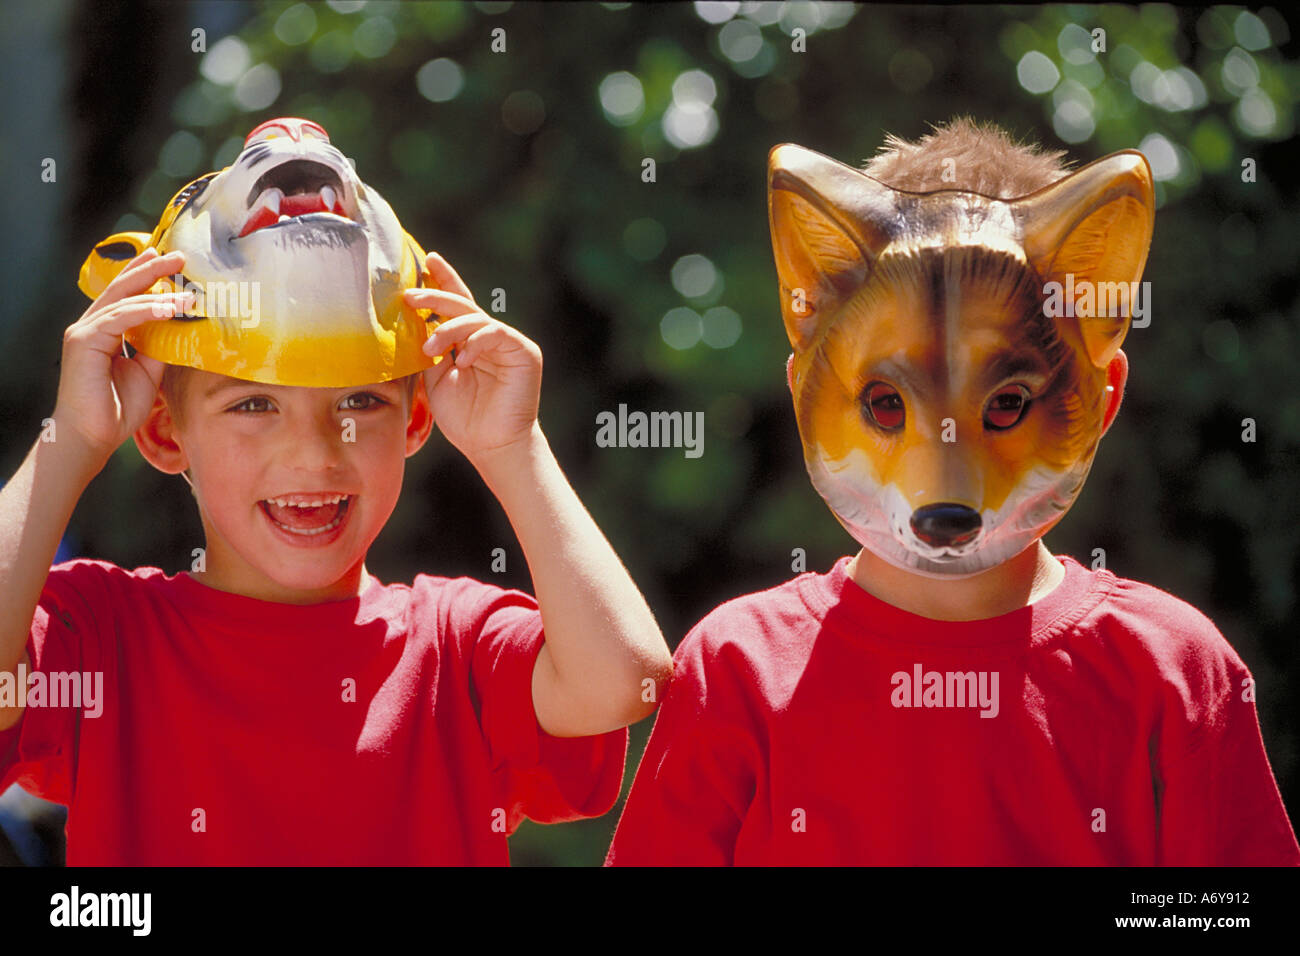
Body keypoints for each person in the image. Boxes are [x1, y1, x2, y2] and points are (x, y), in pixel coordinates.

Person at [605, 118, 1300, 865]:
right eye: (886, 406)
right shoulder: (736, 670)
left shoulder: (1176, 673)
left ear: (1101, 398)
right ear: (805, 389)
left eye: (1004, 406)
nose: (942, 484)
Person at [0, 240, 671, 864]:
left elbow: (623, 682)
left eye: (359, 400)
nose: (316, 452)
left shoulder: (456, 645)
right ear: (164, 433)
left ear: (414, 420)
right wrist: (72, 441)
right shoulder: (102, 635)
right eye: (255, 403)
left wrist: (512, 449)